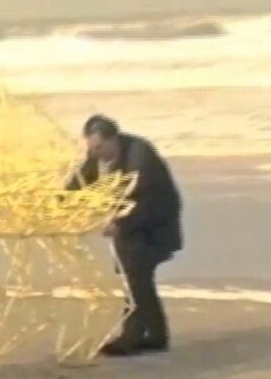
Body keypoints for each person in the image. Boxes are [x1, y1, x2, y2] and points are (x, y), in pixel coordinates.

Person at [66, 114, 183, 356]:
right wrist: (61, 200)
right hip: (131, 224)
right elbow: (82, 179)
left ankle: (133, 337)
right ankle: (156, 336)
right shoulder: (100, 154)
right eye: (92, 148)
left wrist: (121, 223)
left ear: (113, 139)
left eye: (99, 147)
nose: (95, 153)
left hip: (153, 223)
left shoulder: (140, 157)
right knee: (136, 278)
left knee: (135, 276)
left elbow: (149, 200)